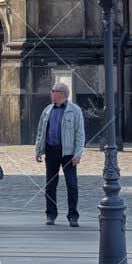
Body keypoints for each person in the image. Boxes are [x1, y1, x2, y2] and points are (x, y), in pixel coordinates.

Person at [33, 82, 85, 225]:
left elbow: (80, 134)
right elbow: (40, 132)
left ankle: (73, 216)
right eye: (52, 91)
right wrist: (38, 149)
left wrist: (78, 153)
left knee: (72, 185)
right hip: (51, 150)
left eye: (53, 91)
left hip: (68, 153)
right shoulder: (47, 110)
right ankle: (51, 214)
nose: (51, 94)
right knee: (50, 185)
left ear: (62, 94)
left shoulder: (75, 110)